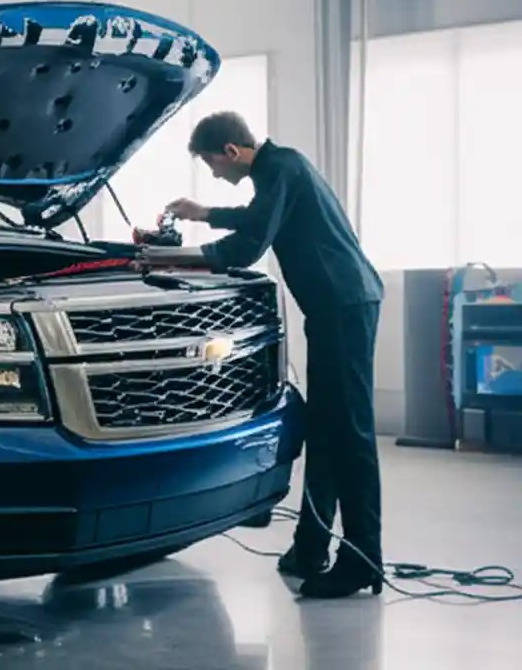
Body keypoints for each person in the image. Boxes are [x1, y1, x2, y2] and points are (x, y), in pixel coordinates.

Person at [137, 111, 386, 598]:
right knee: (325, 426)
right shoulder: (280, 170)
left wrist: (167, 258)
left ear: (231, 151)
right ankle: (311, 545)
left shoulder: (282, 168)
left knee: (350, 431)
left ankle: (363, 560)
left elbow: (250, 244)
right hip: (339, 305)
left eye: (212, 164)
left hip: (345, 305)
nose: (214, 174)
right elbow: (258, 216)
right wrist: (202, 212)